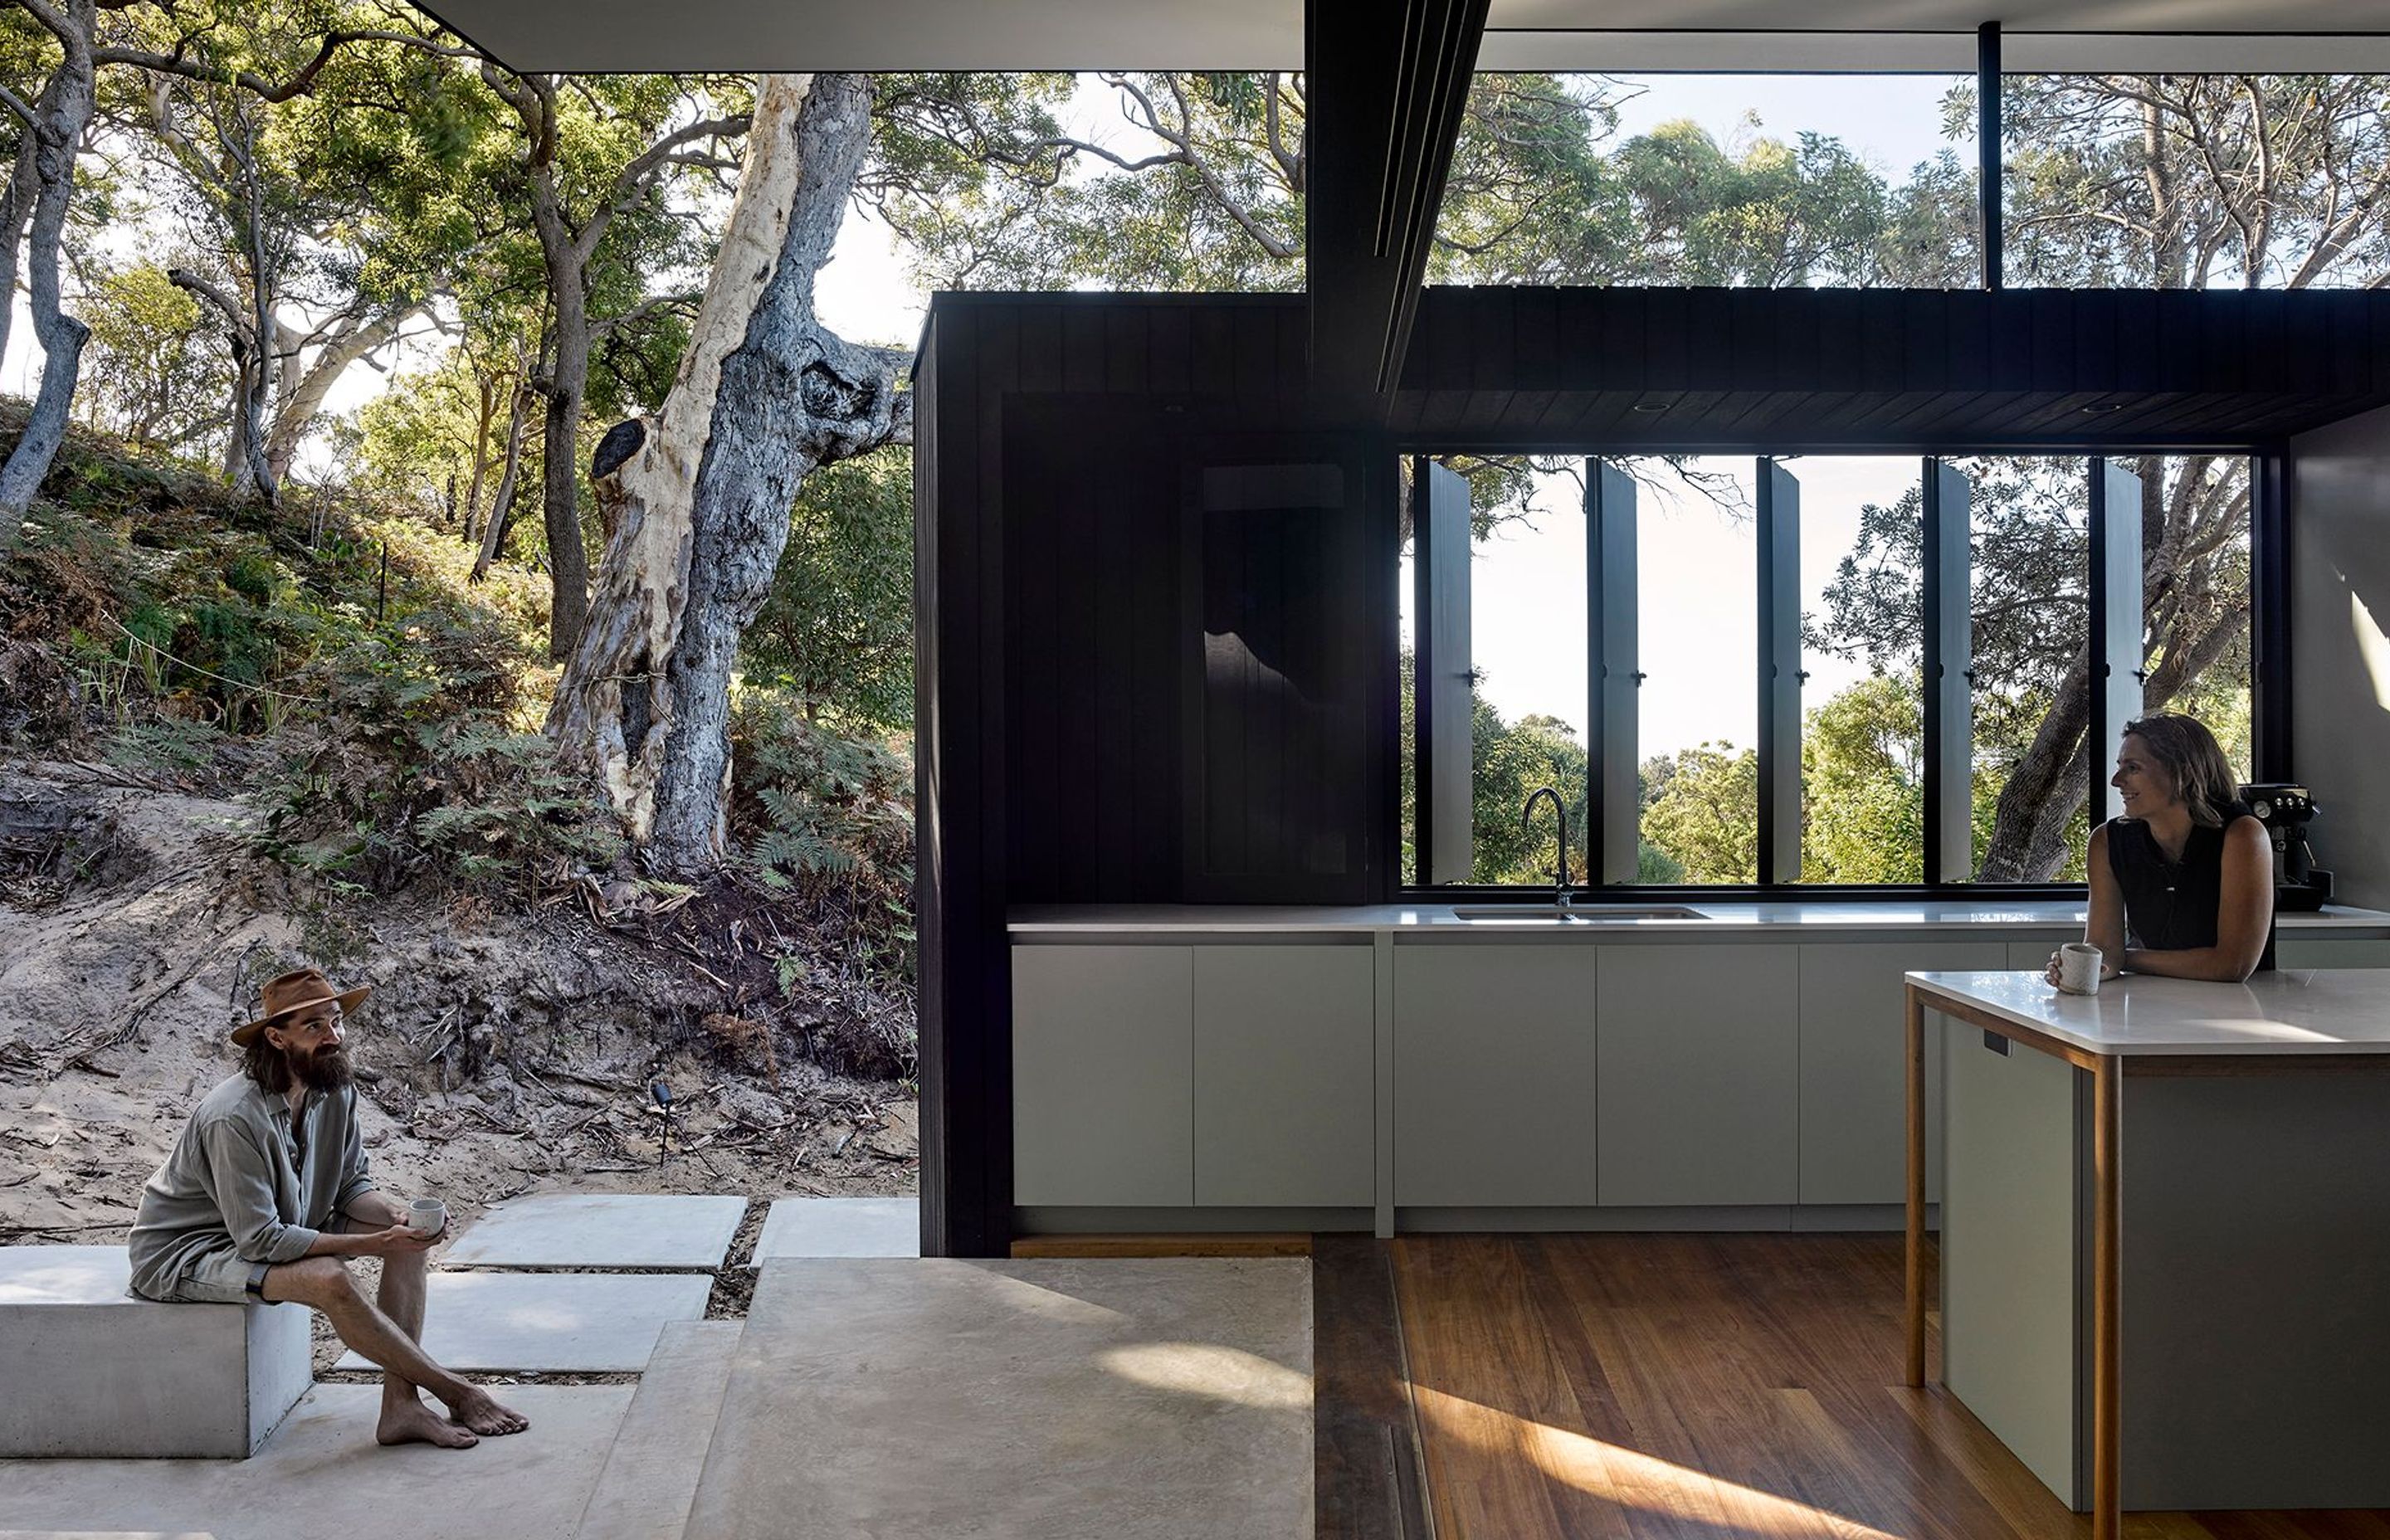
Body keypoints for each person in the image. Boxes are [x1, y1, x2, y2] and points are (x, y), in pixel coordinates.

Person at [127, 967, 528, 1450]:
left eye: (336, 1021)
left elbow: (351, 1186)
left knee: (408, 1246)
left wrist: (396, 1218)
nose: (333, 1036)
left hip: (281, 1225)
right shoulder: (233, 1117)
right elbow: (260, 1241)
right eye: (314, 1026)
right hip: (189, 1253)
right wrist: (370, 1241)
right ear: (275, 1038)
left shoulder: (334, 1090)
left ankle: (401, 1408)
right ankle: (456, 1392)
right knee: (331, 1279)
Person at [2047, 713, 2274, 987]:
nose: (2116, 780)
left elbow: (2232, 965)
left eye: (2133, 768)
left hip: (2243, 1010)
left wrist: (2123, 959)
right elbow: (2104, 949)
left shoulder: (2243, 835)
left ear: (2183, 772)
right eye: (2120, 766)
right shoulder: (2106, 841)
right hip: (2149, 1004)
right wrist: (2085, 967)